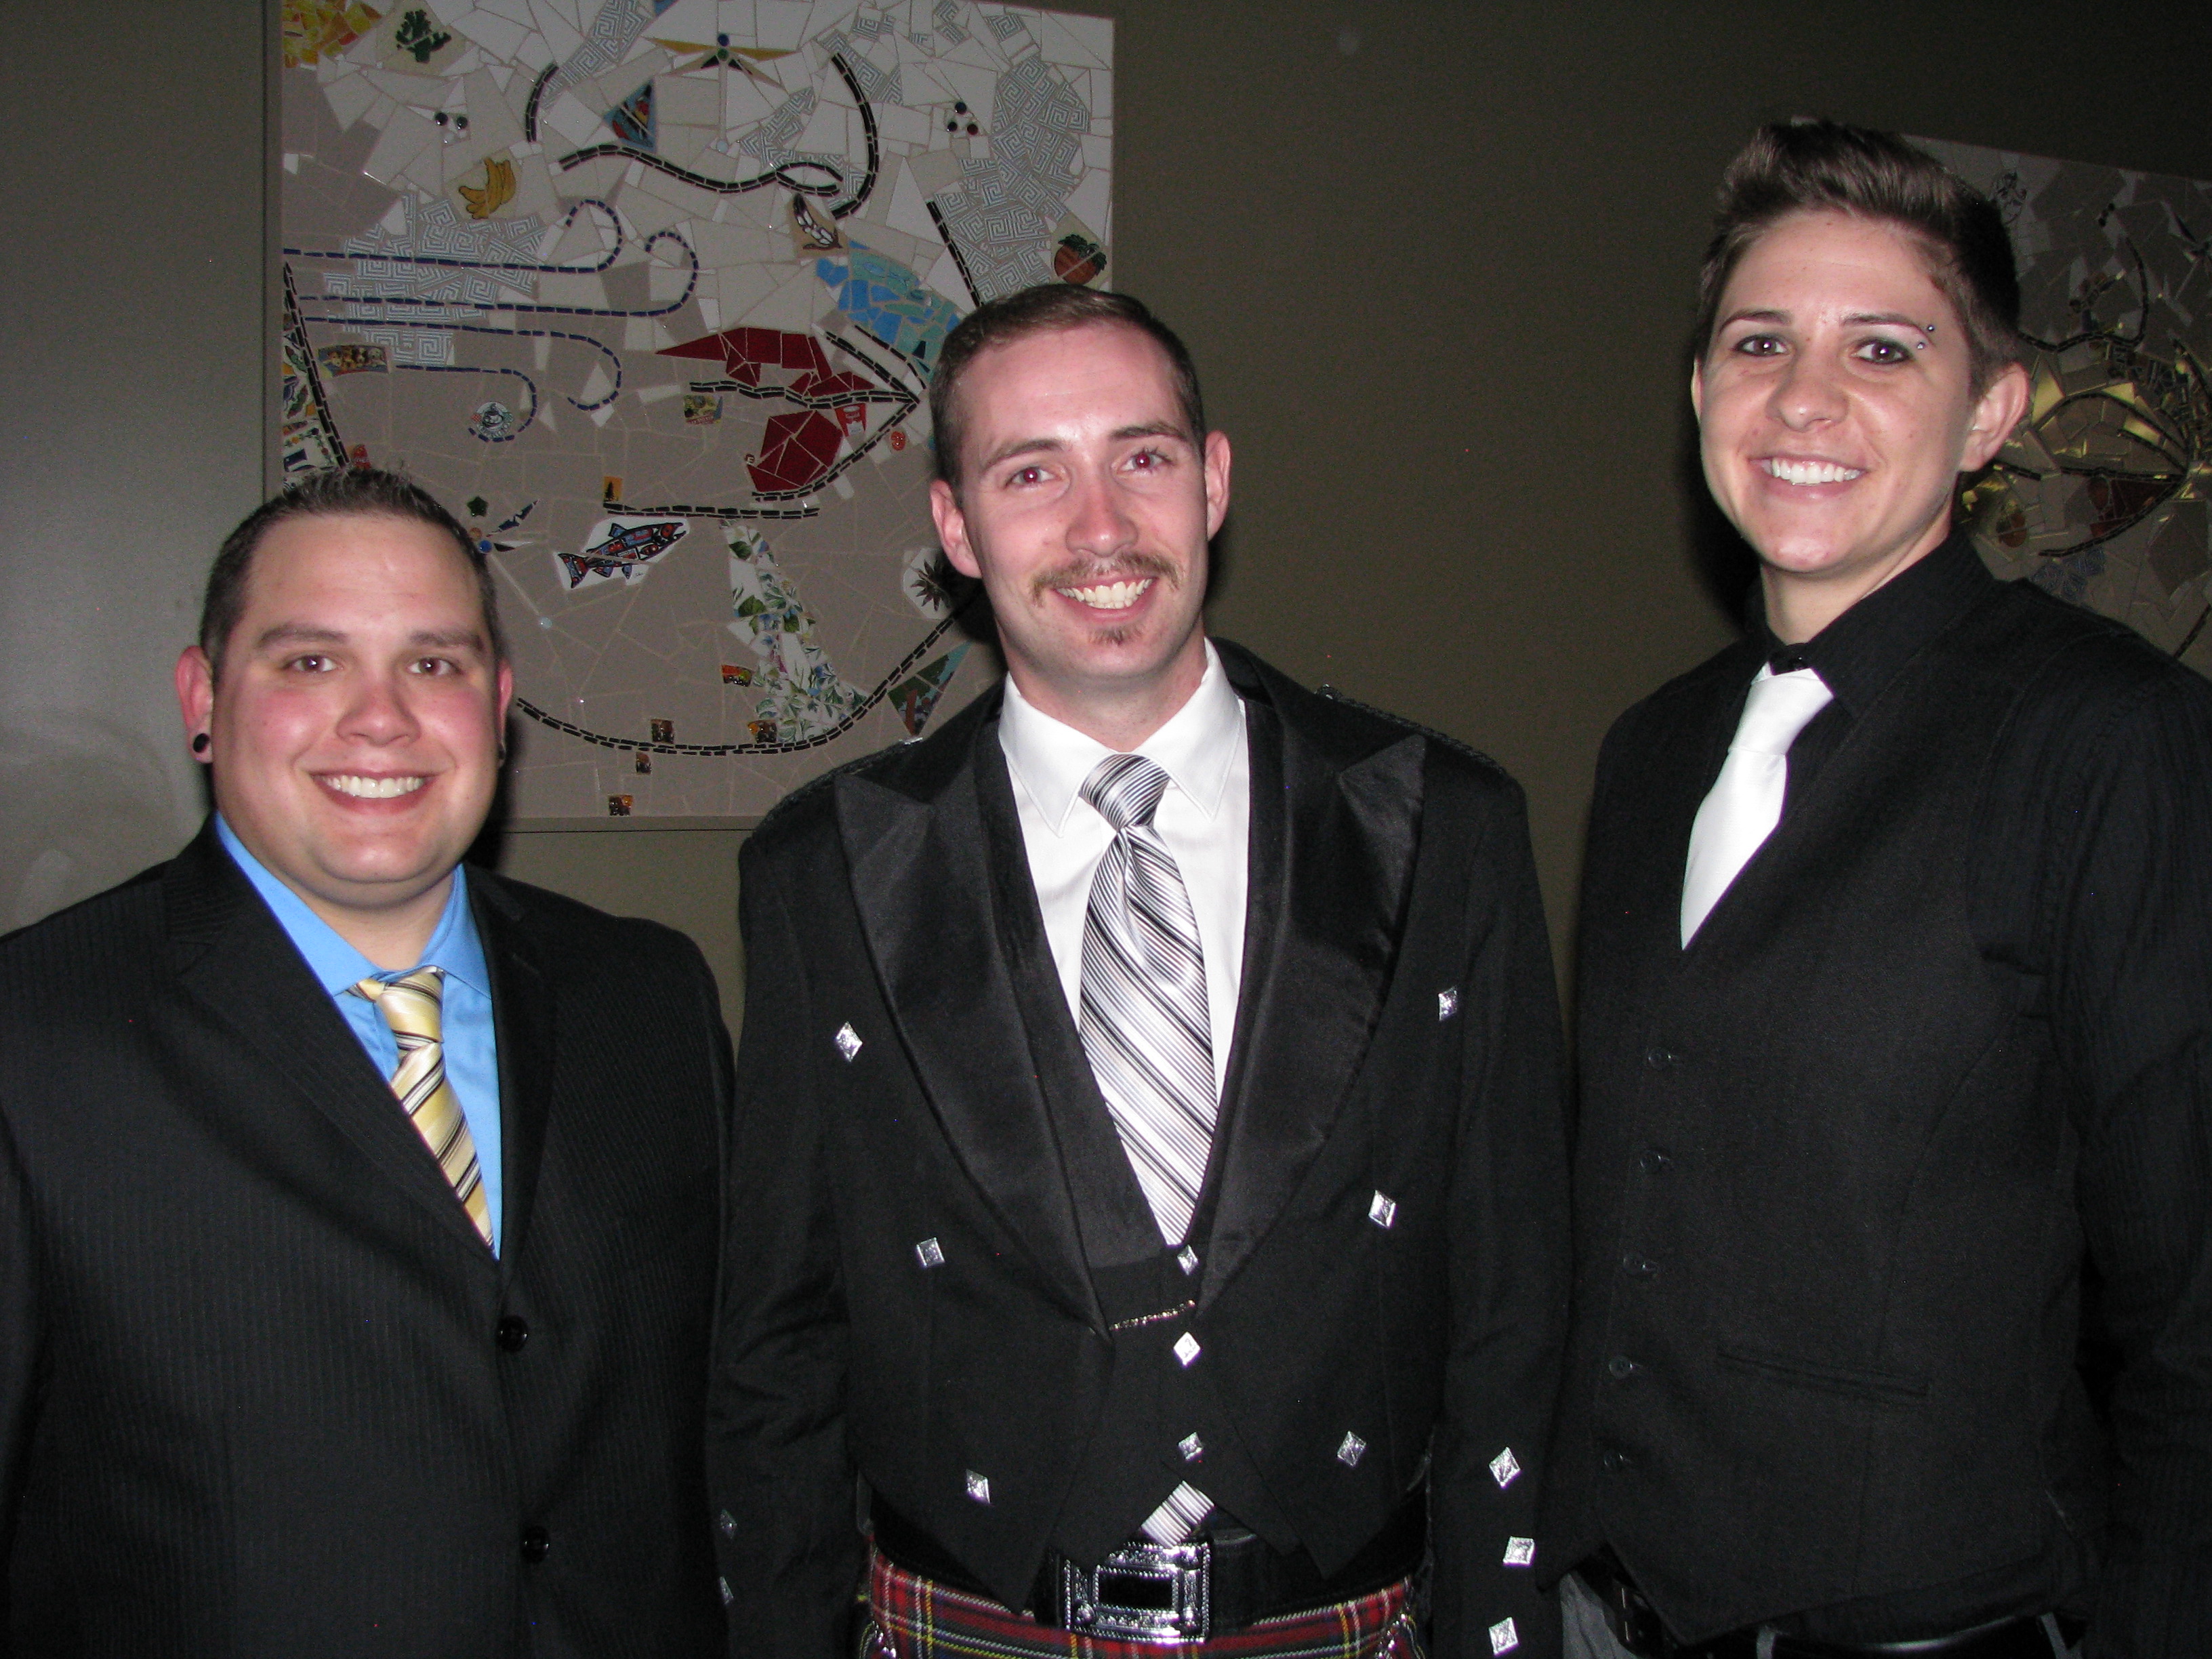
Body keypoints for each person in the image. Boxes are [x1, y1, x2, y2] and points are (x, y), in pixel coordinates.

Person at [710, 285, 1572, 1659]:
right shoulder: (824, 870)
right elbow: (779, 1337)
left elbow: (1514, 1299)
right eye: (1031, 473)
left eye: (1143, 457)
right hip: (969, 1624)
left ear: (1213, 482)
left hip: (1340, 1616)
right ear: (955, 527)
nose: (1100, 526)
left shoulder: (1444, 824)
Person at [1547, 121, 2212, 1658]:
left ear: (1990, 414)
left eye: (1885, 349)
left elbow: (2195, 1316)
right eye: (1760, 341)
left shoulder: (2110, 741)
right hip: (1605, 1613)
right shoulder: (1651, 752)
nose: (1805, 397)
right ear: (1701, 391)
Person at [0, 467, 731, 1655]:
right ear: (202, 698)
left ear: (499, 705)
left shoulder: (649, 998)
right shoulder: (34, 1035)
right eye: (310, 661)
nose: (381, 718)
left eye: (433, 664)